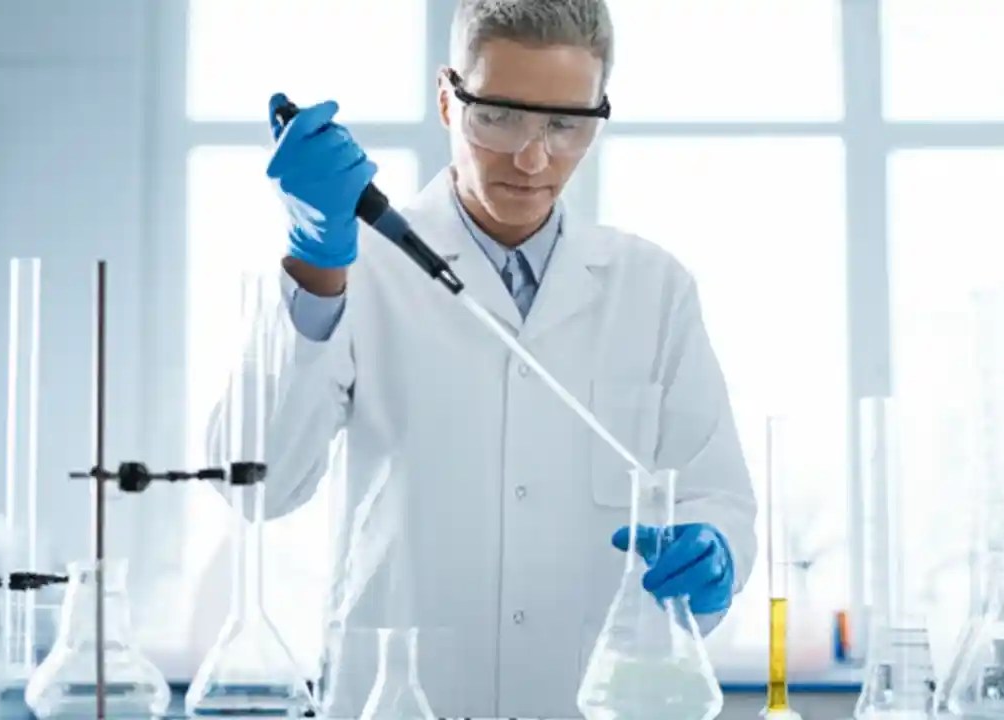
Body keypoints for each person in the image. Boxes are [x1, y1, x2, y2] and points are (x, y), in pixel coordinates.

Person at [215, 0, 758, 717]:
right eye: (498, 116)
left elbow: (716, 494)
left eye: (566, 125)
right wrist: (316, 268)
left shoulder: (652, 288)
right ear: (447, 99)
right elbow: (258, 485)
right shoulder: (359, 270)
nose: (533, 158)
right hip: (405, 698)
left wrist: (715, 549)